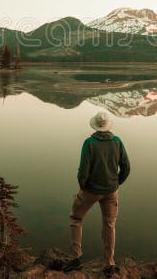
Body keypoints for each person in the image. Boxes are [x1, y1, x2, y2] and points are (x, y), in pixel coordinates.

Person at [64, 111, 130, 275]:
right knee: (109, 224)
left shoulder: (89, 143)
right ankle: (108, 263)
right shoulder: (117, 142)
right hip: (111, 191)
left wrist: (83, 187)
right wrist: (116, 183)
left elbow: (83, 171)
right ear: (108, 127)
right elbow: (126, 167)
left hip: (91, 191)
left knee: (76, 218)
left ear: (95, 126)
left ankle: (76, 258)